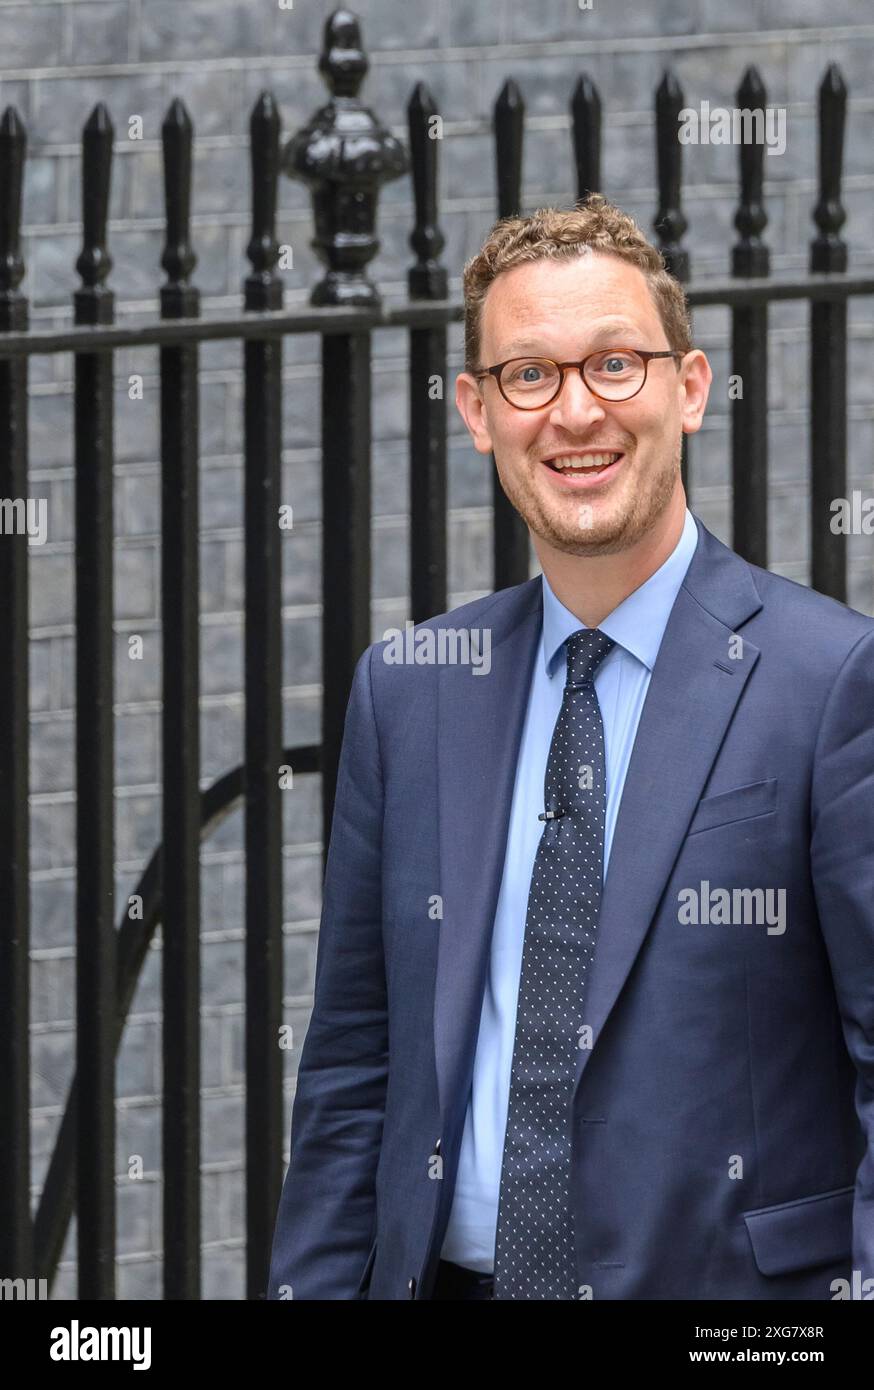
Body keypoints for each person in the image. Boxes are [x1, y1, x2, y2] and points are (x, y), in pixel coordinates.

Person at [267, 195, 874, 1300]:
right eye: (529, 375)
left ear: (688, 388)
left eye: (615, 365)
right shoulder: (409, 692)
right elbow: (354, 1072)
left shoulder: (828, 682)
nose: (574, 412)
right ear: (476, 410)